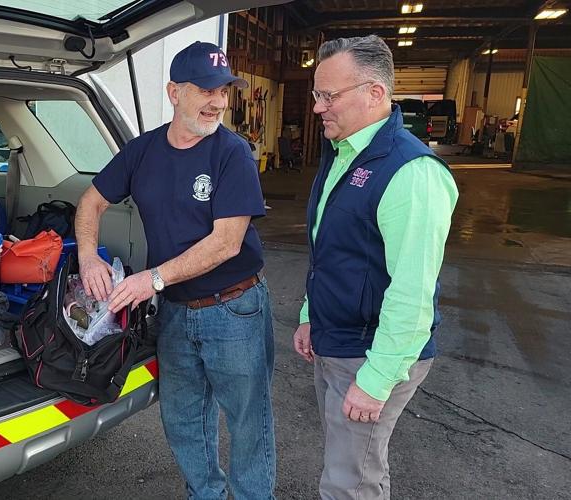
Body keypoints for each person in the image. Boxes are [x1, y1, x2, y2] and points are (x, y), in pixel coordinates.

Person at [75, 41, 276, 500]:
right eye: (206, 90)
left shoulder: (232, 153)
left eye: (223, 91)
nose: (218, 102)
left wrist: (152, 279)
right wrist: (88, 256)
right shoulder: (142, 151)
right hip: (175, 312)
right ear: (174, 92)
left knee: (248, 422)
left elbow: (226, 243)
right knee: (184, 419)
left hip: (234, 308)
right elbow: (91, 201)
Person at [292, 35, 458, 500]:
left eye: (329, 96)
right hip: (337, 338)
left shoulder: (411, 172)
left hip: (369, 352)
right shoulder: (344, 151)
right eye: (317, 94)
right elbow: (333, 250)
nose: (318, 107)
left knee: (348, 482)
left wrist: (377, 380)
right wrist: (310, 314)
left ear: (375, 93)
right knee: (354, 467)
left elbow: (412, 291)